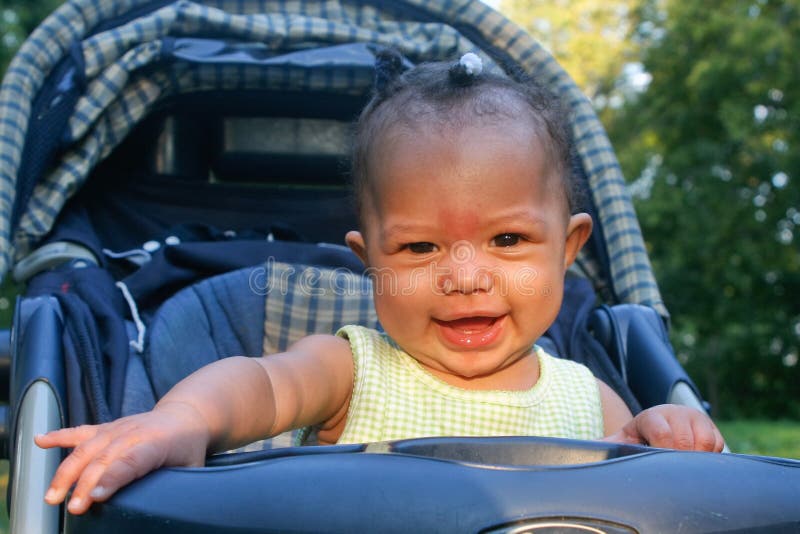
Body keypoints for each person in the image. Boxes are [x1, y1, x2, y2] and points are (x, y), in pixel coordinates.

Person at [36, 51, 724, 515]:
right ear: (370, 262)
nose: (464, 277)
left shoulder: (587, 395)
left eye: (507, 240)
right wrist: (181, 423)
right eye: (420, 247)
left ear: (568, 249)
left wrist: (666, 431)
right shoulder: (354, 368)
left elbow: (646, 483)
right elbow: (257, 384)